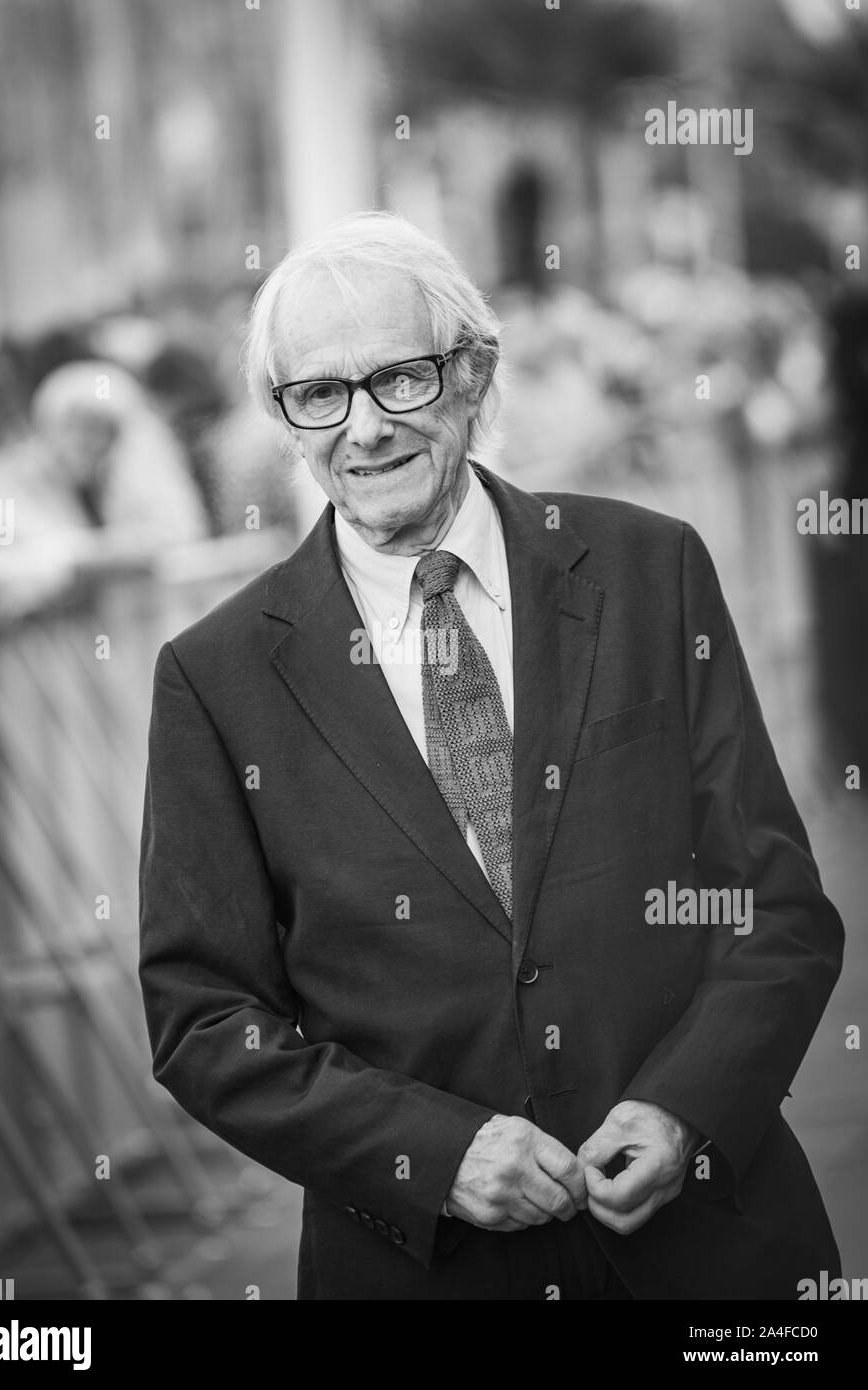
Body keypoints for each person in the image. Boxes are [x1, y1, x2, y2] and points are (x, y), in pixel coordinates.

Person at [138, 212, 843, 1301]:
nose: (364, 430)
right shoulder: (214, 675)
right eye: (319, 395)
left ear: (473, 374)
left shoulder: (649, 570)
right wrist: (432, 1153)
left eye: (400, 379)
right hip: (425, 1272)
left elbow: (778, 906)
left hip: (712, 1253)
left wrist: (688, 1106)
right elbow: (204, 1017)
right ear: (286, 420)